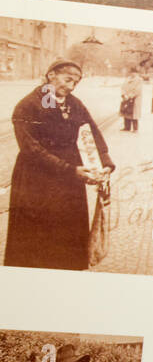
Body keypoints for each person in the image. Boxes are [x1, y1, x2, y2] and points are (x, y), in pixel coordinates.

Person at [4, 60, 114, 271]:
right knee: (37, 242)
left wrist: (105, 162)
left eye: (76, 82)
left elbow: (91, 132)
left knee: (66, 238)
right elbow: (31, 150)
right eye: (68, 80)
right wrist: (70, 170)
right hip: (36, 180)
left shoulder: (74, 103)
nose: (71, 87)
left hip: (70, 181)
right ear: (51, 75)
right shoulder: (28, 105)